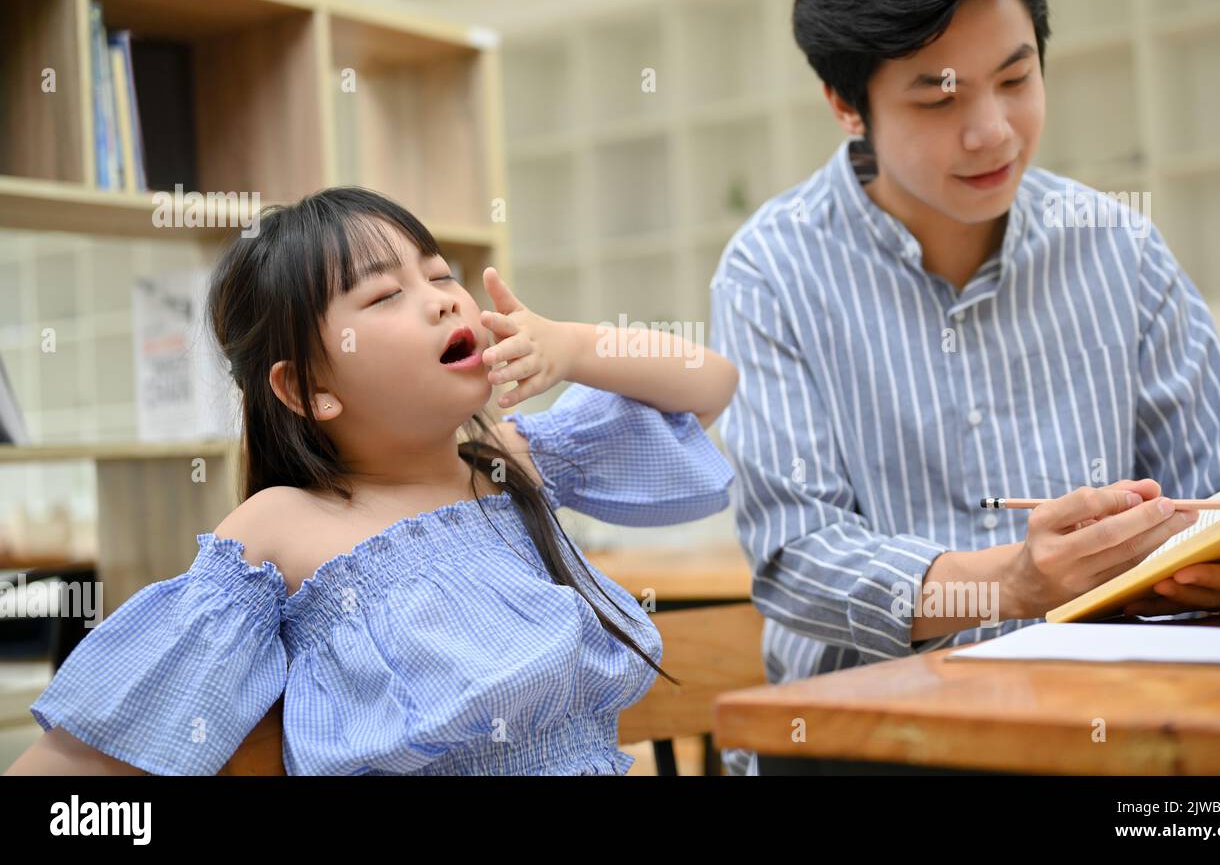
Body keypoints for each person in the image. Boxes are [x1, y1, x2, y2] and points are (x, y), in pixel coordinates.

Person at [708, 0, 1220, 776]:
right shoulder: (773, 269)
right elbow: (798, 557)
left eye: (1015, 79)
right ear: (847, 105)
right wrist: (1011, 581)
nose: (992, 131)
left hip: (1099, 718)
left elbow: (1219, 487)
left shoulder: (1118, 248)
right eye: (939, 96)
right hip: (866, 740)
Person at [5, 186, 738, 775]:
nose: (445, 297)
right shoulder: (281, 526)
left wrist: (573, 346)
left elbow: (709, 384)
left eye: (440, 272)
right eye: (384, 296)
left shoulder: (510, 462)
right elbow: (93, 750)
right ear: (309, 389)